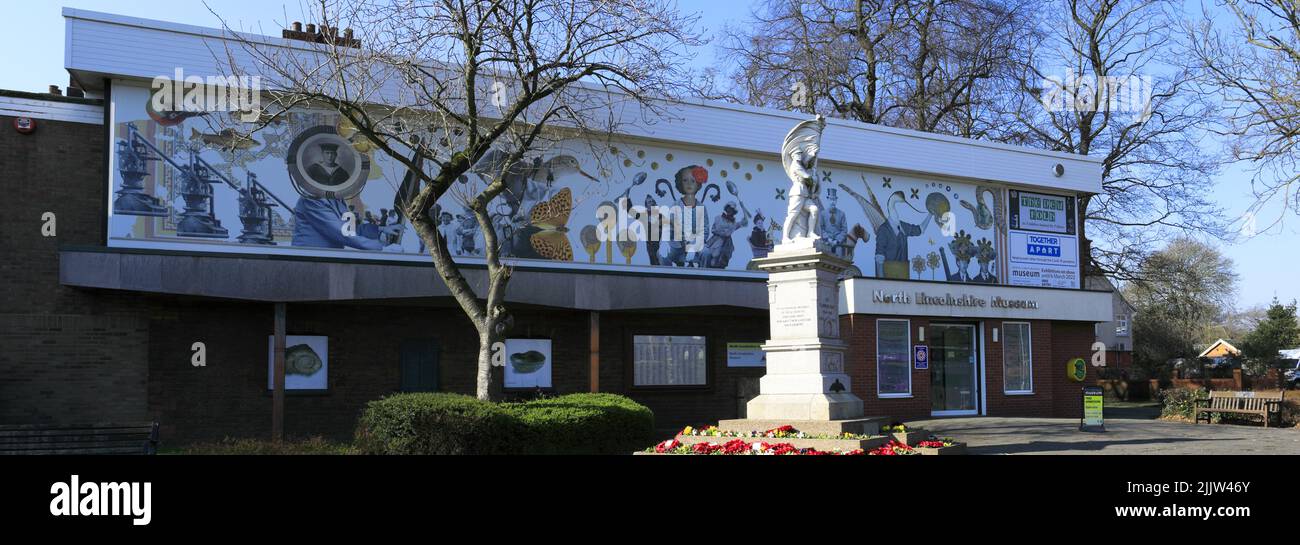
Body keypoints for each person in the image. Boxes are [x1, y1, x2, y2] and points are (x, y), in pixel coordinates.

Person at [291, 196, 403, 251]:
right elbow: (343, 233)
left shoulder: (337, 199)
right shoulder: (311, 200)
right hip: (309, 262)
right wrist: (382, 249)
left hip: (327, 262)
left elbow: (350, 228)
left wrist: (380, 230)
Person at [702, 200, 751, 268]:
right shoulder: (718, 218)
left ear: (733, 212)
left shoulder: (733, 223)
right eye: (729, 208)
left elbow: (744, 222)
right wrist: (726, 232)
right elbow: (716, 229)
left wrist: (743, 209)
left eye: (732, 209)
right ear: (726, 208)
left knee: (721, 258)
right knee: (711, 254)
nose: (730, 210)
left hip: (726, 243)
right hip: (716, 240)